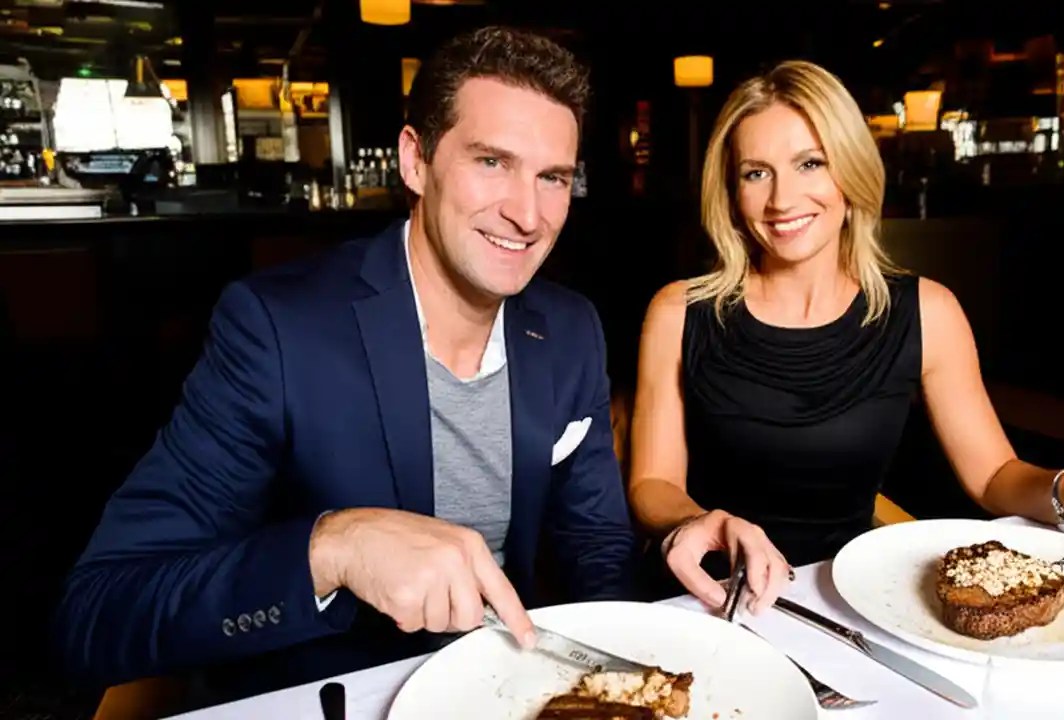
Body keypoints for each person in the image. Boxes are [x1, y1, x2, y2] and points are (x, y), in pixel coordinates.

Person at [52, 26, 634, 702]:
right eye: (491, 162)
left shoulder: (569, 329)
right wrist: (332, 549)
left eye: (552, 177)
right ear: (415, 161)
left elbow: (598, 553)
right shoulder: (278, 329)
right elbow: (94, 614)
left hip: (513, 694)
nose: (527, 213)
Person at [626, 60, 1064, 615]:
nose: (781, 199)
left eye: (810, 163)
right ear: (730, 189)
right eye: (756, 172)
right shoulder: (680, 311)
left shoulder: (927, 311)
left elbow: (993, 475)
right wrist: (698, 522)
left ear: (850, 170)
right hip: (704, 601)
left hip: (846, 601)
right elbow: (652, 481)